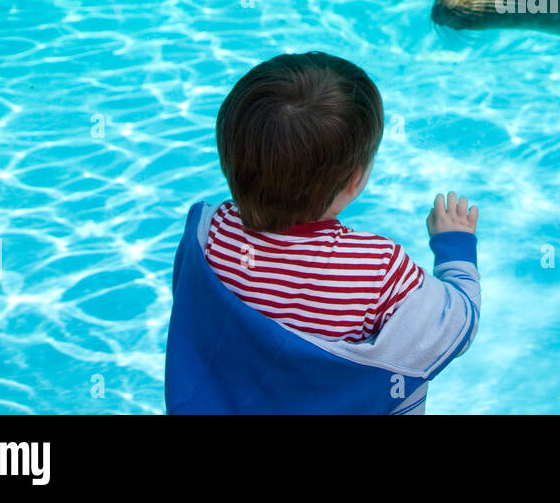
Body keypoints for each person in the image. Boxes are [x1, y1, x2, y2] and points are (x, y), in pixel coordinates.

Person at [165, 52, 480, 414]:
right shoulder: (378, 270)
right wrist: (454, 247)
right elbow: (455, 326)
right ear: (355, 180)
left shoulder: (209, 232)